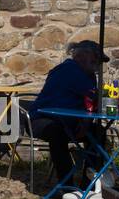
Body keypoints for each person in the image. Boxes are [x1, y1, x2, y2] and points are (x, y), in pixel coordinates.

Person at [24, 40, 107, 185]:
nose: (98, 64)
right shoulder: (69, 70)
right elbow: (96, 96)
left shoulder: (88, 75)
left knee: (98, 132)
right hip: (40, 119)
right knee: (57, 132)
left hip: (69, 122)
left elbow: (91, 102)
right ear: (82, 55)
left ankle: (89, 184)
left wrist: (86, 122)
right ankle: (66, 185)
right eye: (95, 58)